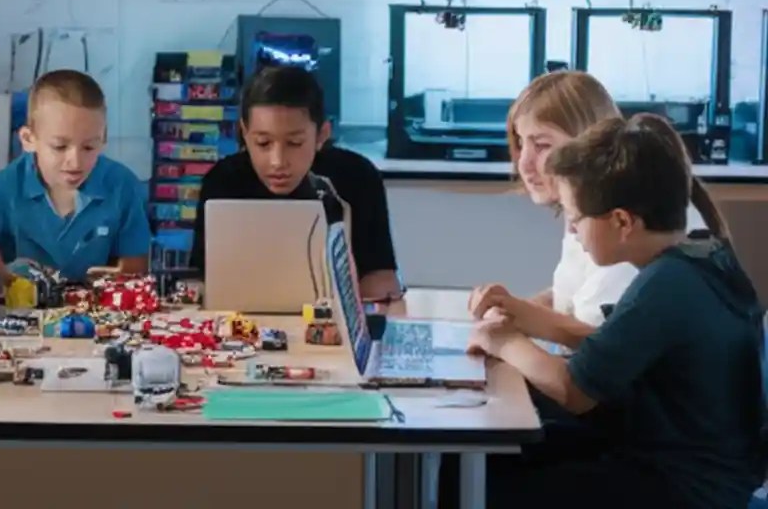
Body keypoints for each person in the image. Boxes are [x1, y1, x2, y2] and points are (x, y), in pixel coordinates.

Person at [468, 113, 763, 509]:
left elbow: (575, 390)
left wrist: (503, 341)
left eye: (576, 218)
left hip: (683, 487)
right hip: (690, 465)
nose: (572, 231)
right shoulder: (701, 257)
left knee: (481, 483)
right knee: (502, 451)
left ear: (622, 221)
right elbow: (614, 347)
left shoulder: (667, 285)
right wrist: (528, 316)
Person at [467, 70, 725, 349]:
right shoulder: (590, 208)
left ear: (587, 142)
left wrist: (512, 329)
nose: (524, 163)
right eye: (520, 143)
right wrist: (512, 311)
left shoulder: (628, 222)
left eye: (542, 145)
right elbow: (574, 295)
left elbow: (607, 343)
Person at [192, 66, 401, 300]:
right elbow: (202, 279)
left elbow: (380, 277)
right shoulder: (223, 181)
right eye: (263, 143)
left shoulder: (356, 177)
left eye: (294, 143)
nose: (278, 162)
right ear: (244, 133)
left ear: (321, 135)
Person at [0, 69, 151, 286]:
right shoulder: (4, 187)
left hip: (99, 310)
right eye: (59, 147)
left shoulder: (122, 185)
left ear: (104, 139)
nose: (75, 162)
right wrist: (6, 276)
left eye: (89, 147)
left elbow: (134, 270)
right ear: (28, 139)